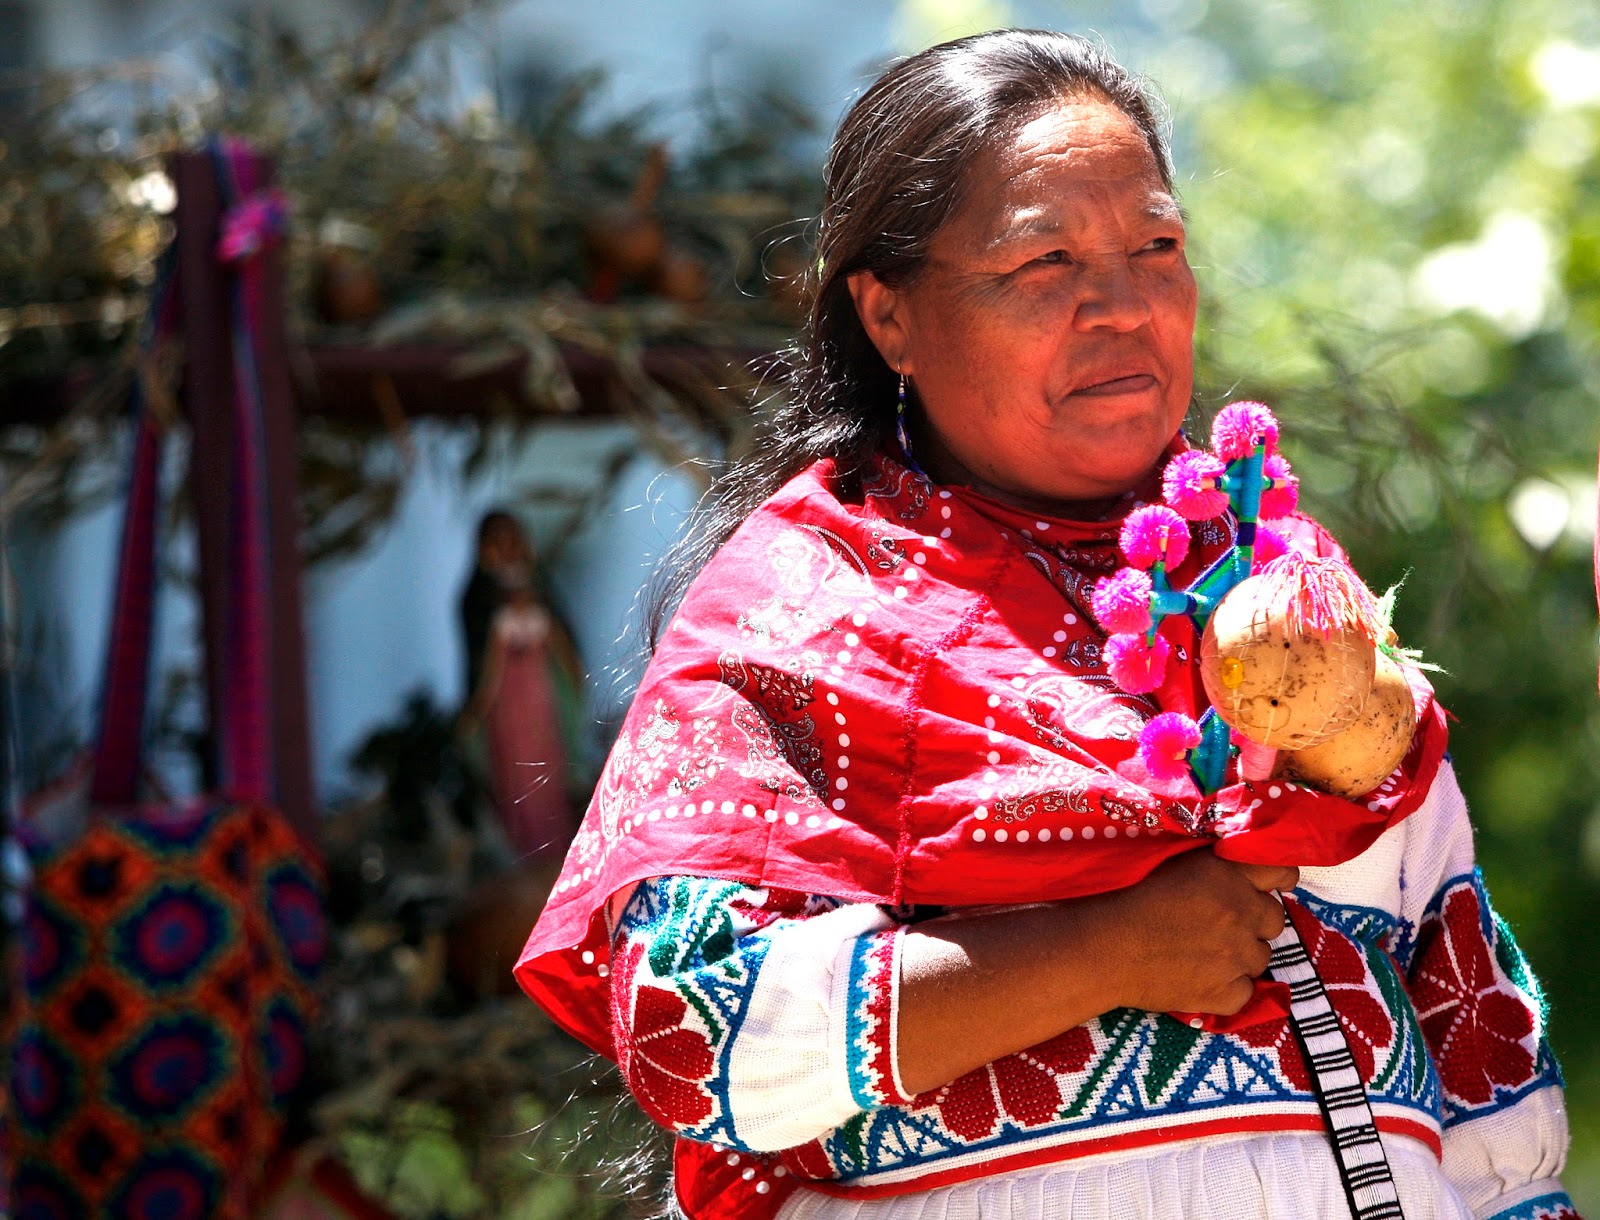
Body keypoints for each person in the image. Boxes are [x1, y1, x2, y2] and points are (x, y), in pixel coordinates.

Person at [514, 30, 1576, 1220]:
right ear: (890, 317)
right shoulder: (800, 611)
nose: (1123, 307)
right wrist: (1109, 949)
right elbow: (693, 1027)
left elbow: (1469, 1016)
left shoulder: (1281, 582)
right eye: (1044, 260)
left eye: (1157, 247)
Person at [459, 509, 581, 860]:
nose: (506, 549)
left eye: (511, 539)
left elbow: (566, 652)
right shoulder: (478, 599)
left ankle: (555, 853)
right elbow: (479, 662)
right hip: (505, 709)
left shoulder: (540, 587)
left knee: (549, 782)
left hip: (542, 706)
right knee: (516, 784)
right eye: (496, 542)